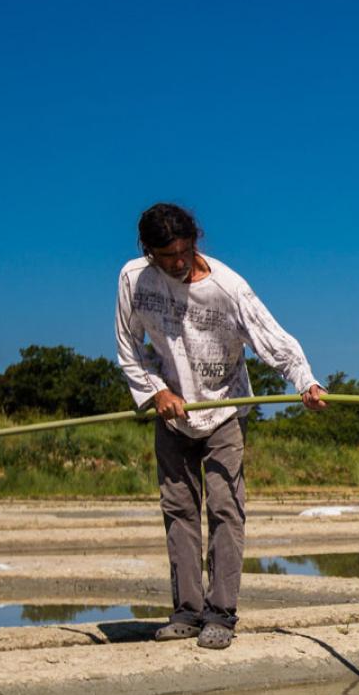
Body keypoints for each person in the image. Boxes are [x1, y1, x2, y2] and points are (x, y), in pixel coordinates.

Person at [115, 202, 327, 649]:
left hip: (226, 408)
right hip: (172, 412)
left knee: (226, 508)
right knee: (178, 510)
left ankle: (221, 614)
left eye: (183, 252)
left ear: (196, 241)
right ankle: (187, 612)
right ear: (147, 251)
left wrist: (305, 381)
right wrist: (157, 392)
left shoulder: (227, 288)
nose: (176, 263)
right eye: (165, 256)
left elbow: (274, 339)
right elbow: (128, 348)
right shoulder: (134, 280)